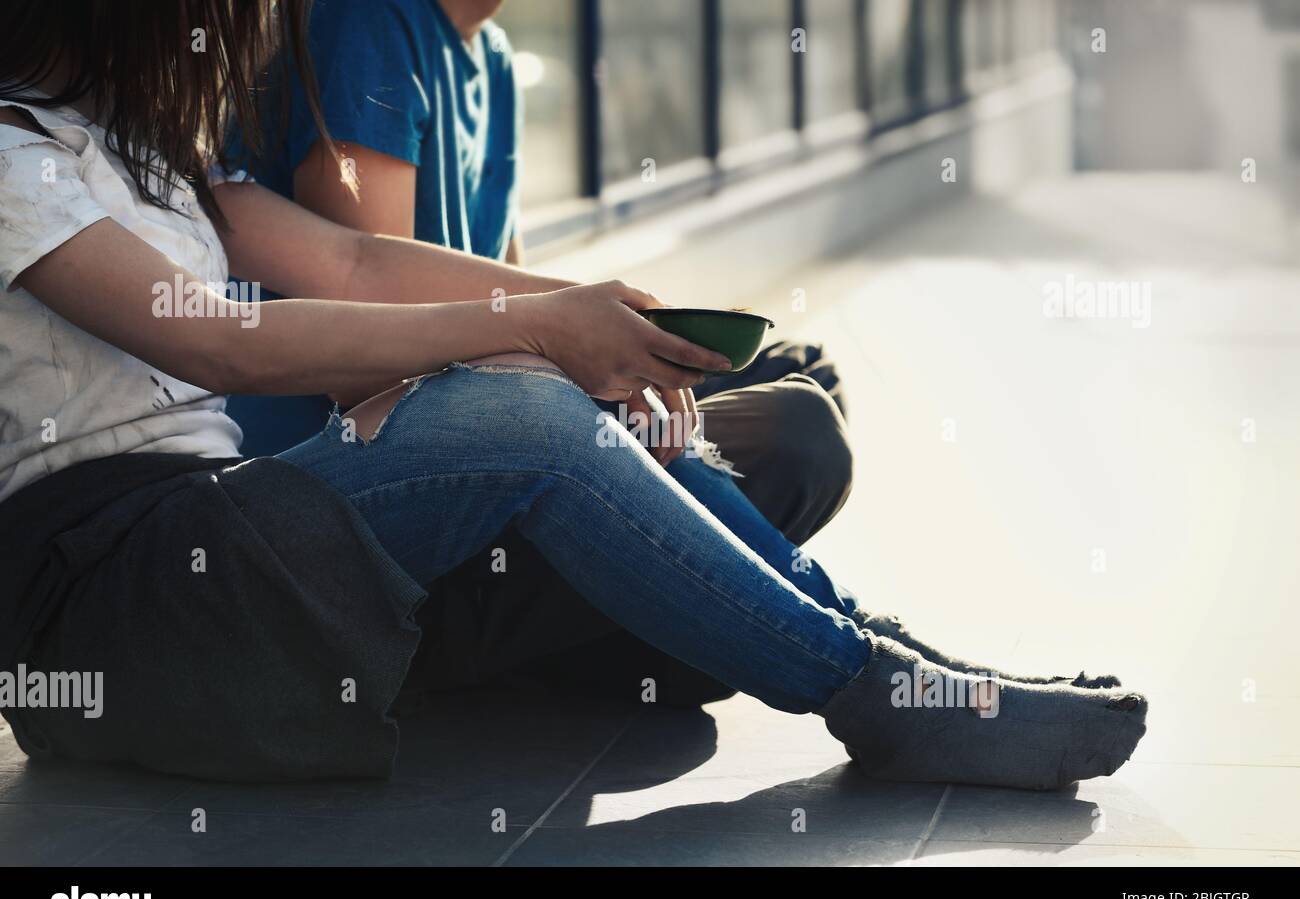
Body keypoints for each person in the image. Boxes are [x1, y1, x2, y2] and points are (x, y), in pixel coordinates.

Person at [0, 0, 1146, 790]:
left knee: (626, 416)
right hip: (116, 588)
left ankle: (889, 653)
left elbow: (354, 264)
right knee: (534, 413)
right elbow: (226, 346)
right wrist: (534, 330)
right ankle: (873, 693)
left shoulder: (150, 161)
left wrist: (608, 319)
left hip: (238, 530)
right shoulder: (12, 159)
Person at [224, 0, 854, 706]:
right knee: (796, 431)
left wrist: (626, 345)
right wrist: (601, 377)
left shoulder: (490, 55)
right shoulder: (368, 21)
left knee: (799, 370)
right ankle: (842, 644)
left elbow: (519, 303)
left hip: (488, 416)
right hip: (409, 487)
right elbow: (372, 351)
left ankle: (661, 626)